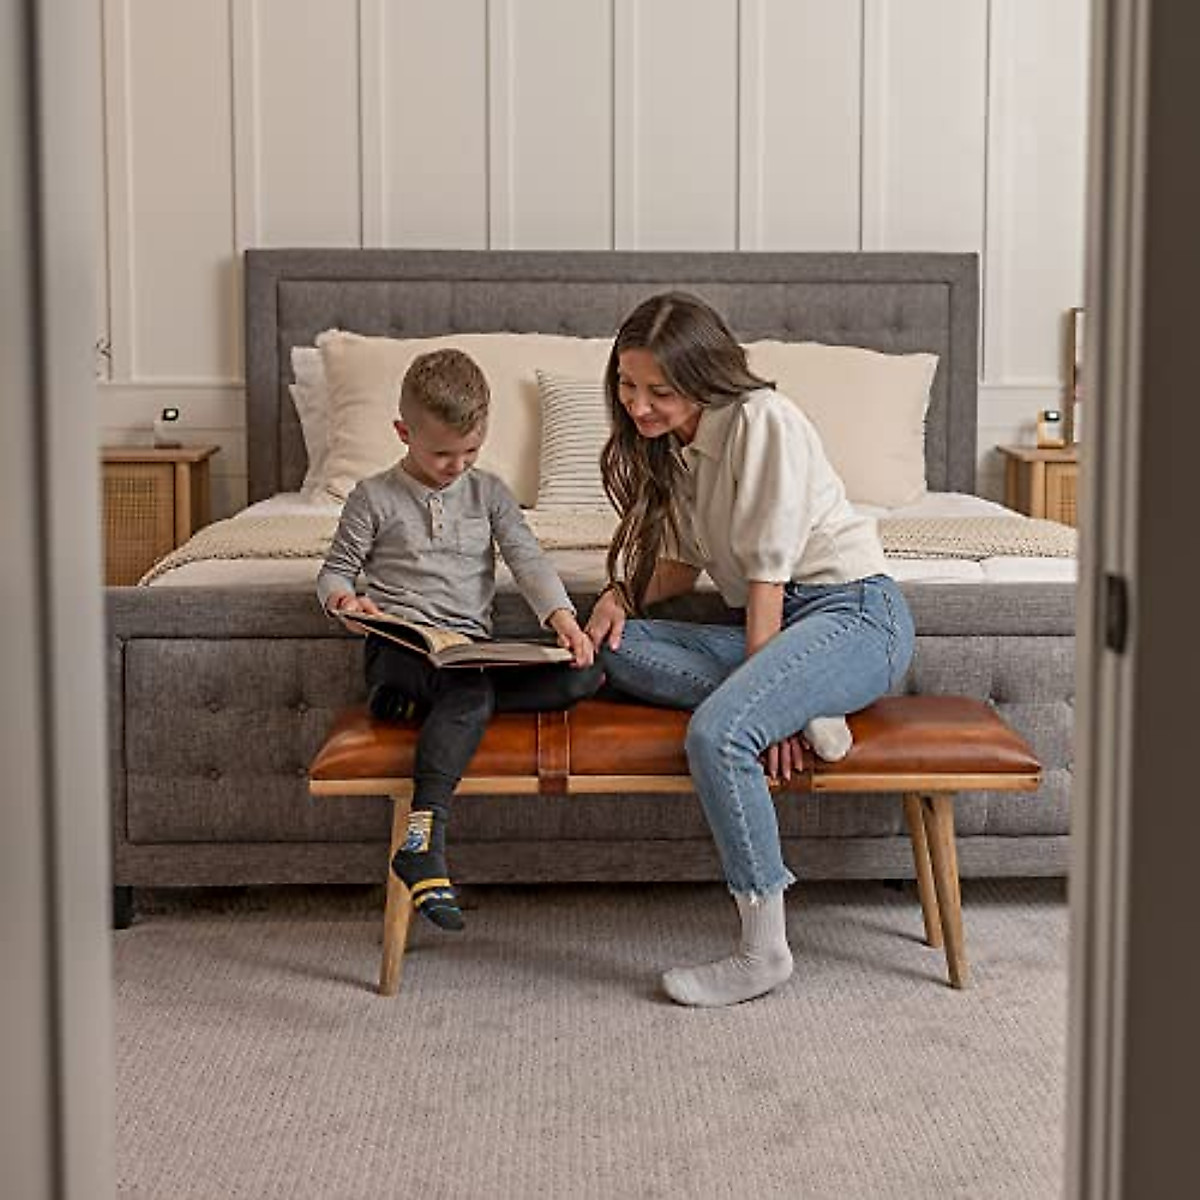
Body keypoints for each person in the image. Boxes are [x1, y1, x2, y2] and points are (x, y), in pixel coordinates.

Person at [585, 292, 916, 1007]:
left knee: (719, 734)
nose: (637, 405)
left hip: (853, 614)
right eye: (627, 385)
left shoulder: (764, 420)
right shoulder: (675, 450)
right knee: (611, 645)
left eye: (658, 391)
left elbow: (767, 575)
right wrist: (619, 595)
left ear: (701, 376)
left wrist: (759, 710)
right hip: (779, 630)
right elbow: (679, 567)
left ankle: (763, 950)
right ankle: (808, 699)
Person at [318, 348, 602, 932]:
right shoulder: (373, 496)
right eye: (442, 453)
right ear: (403, 433)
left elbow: (527, 559)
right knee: (469, 694)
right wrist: (346, 604)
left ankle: (412, 707)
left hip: (467, 651)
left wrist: (564, 620)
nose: (457, 465)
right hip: (400, 648)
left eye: (470, 451)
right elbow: (335, 572)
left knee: (583, 675)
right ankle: (424, 840)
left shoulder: (490, 493)